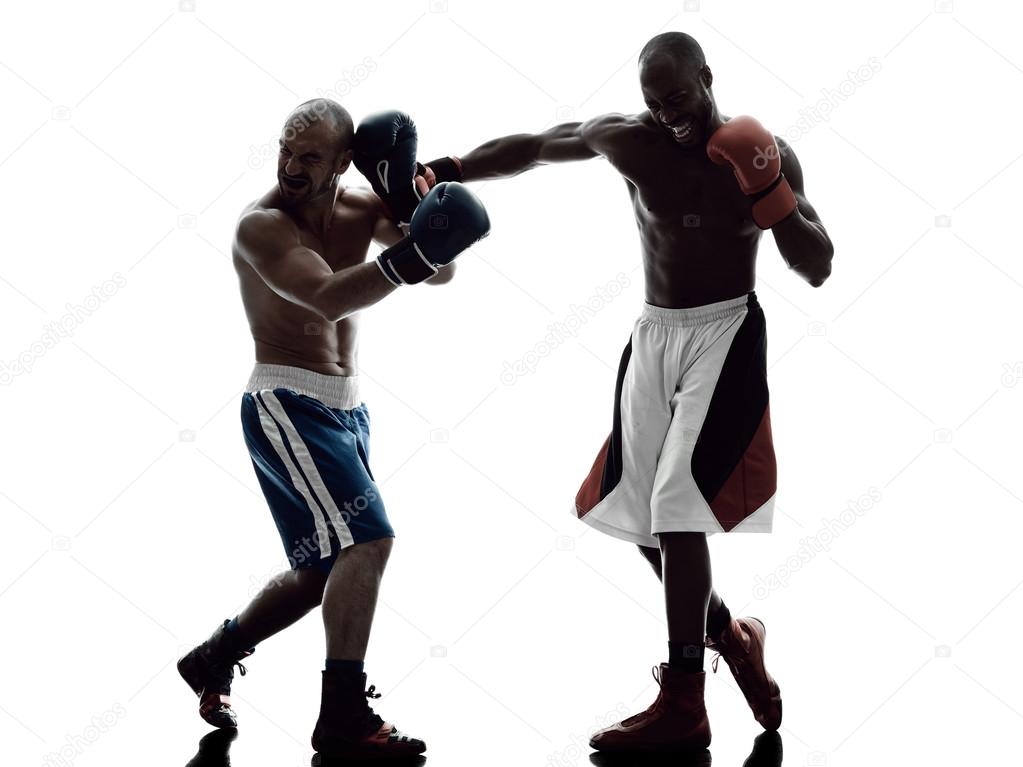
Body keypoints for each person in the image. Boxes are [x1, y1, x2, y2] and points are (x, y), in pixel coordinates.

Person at [418, 31, 833, 753]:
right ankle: (732, 637)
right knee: (641, 520)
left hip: (725, 332)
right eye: (654, 102)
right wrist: (449, 166)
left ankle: (683, 701)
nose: (669, 113)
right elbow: (541, 144)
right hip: (652, 334)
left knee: (678, 510)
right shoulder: (630, 141)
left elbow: (817, 263)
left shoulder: (760, 149)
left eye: (678, 96)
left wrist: (767, 190)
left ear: (706, 76)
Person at [176, 100, 489, 761]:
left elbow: (444, 267)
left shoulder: (357, 207)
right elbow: (326, 297)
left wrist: (408, 200)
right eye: (286, 149)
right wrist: (418, 247)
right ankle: (342, 713)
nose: (292, 165)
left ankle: (214, 654)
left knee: (321, 568)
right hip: (285, 400)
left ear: (343, 162)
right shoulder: (261, 227)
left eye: (310, 156)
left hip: (347, 407)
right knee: (369, 540)